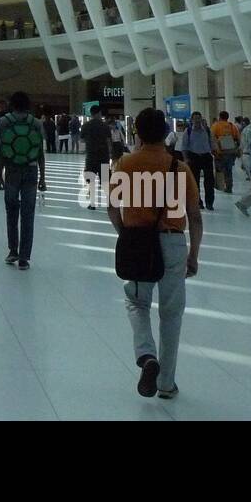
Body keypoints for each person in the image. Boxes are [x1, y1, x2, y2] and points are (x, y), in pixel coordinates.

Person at [107, 107, 202, 400]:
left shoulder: (124, 163)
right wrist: (193, 254)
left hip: (138, 241)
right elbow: (194, 215)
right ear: (165, 133)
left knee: (137, 302)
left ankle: (147, 356)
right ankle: (165, 383)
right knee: (171, 313)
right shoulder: (179, 168)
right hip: (173, 241)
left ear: (137, 133)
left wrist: (125, 232)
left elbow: (112, 206)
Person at [0, 91, 46, 270]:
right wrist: (43, 178)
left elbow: (1, 150)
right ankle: (24, 257)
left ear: (12, 104)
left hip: (11, 170)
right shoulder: (36, 123)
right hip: (31, 171)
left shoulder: (3, 122)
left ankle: (12, 250)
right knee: (28, 214)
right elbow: (40, 152)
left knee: (11, 211)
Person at [179, 112, 216, 211]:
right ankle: (198, 202)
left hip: (206, 157)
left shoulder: (207, 131)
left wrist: (215, 154)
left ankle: (209, 202)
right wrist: (186, 159)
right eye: (195, 118)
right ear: (191, 120)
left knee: (209, 181)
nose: (197, 120)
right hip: (194, 157)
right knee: (195, 181)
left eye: (199, 118)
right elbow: (184, 146)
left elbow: (212, 144)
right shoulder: (188, 131)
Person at [80, 105, 111, 210]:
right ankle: (109, 203)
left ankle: (92, 203)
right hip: (103, 156)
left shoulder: (85, 126)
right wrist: (110, 154)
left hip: (91, 157)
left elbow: (82, 140)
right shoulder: (105, 126)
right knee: (106, 180)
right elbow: (108, 141)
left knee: (91, 180)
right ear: (99, 113)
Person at [211, 111, 240, 193]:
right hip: (230, 152)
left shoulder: (215, 126)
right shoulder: (232, 126)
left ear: (219, 117)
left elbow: (212, 138)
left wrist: (214, 150)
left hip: (220, 152)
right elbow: (237, 139)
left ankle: (220, 186)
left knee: (219, 170)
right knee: (229, 170)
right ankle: (229, 186)